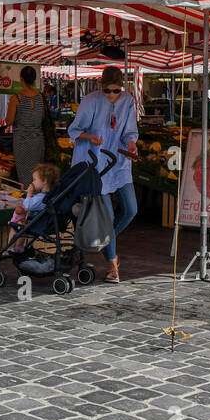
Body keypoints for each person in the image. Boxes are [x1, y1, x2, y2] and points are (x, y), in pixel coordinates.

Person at [68, 65, 138, 283]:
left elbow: (130, 130)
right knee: (107, 216)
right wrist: (90, 137)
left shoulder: (127, 101)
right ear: (101, 87)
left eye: (116, 91)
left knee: (131, 209)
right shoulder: (90, 101)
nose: (112, 95)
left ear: (122, 88)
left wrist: (132, 144)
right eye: (108, 91)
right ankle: (112, 266)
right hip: (95, 163)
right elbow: (74, 130)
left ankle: (106, 240)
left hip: (118, 162)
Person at [6, 65, 46, 185]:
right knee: (37, 174)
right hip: (38, 140)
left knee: (24, 174)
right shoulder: (40, 97)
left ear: (21, 79)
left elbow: (9, 121)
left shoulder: (16, 98)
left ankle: (27, 198)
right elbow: (42, 117)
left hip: (22, 142)